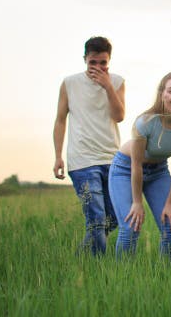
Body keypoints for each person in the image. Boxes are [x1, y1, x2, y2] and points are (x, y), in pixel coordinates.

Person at [108, 72, 171, 260]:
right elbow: (136, 165)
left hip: (159, 171)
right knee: (131, 227)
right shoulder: (145, 122)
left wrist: (170, 203)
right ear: (162, 95)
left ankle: (169, 277)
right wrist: (137, 203)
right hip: (125, 168)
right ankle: (122, 277)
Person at [53, 36, 125, 255]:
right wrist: (58, 156)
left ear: (109, 60)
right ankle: (98, 269)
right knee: (96, 219)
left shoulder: (118, 81)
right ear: (85, 59)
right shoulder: (70, 83)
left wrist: (107, 87)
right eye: (92, 62)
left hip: (112, 158)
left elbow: (119, 116)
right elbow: (60, 119)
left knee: (113, 218)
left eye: (102, 63)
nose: (97, 67)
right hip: (82, 160)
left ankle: (81, 257)